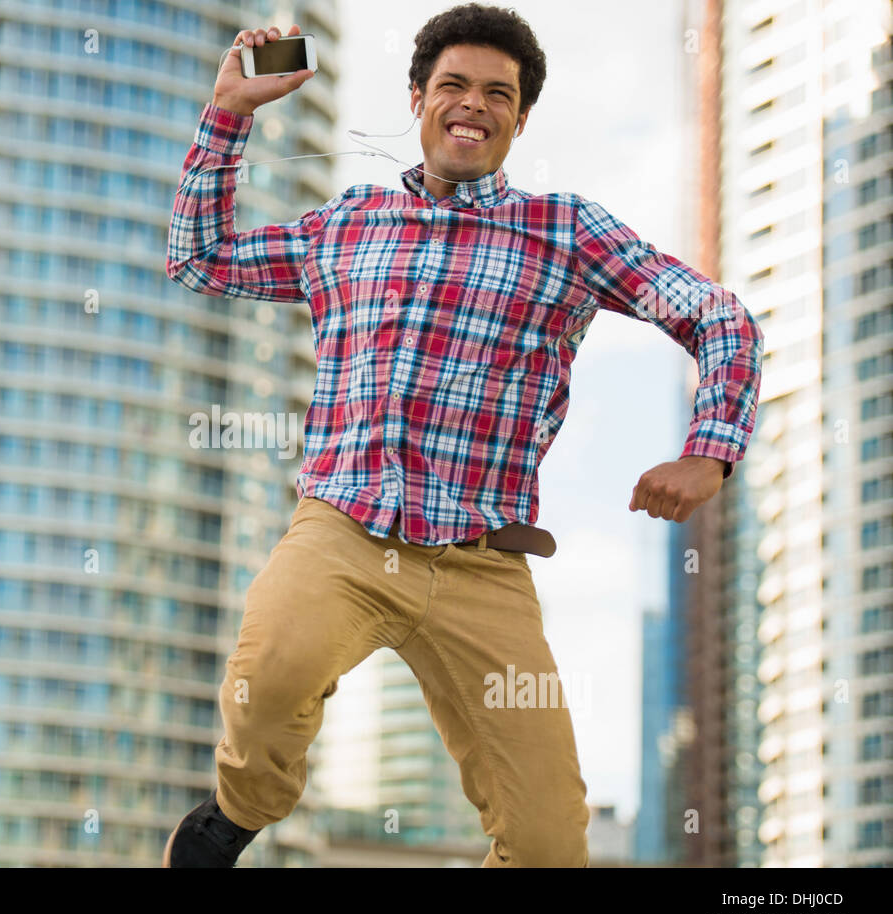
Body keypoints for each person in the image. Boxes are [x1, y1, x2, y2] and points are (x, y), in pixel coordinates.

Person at [161, 3, 764, 867]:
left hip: (482, 563)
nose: (471, 104)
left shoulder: (566, 232)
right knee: (272, 680)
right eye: (452, 85)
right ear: (418, 98)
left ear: (520, 118)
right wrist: (230, 116)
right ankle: (237, 811)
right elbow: (199, 257)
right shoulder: (348, 223)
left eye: (496, 93)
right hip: (343, 532)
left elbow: (718, 316)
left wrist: (709, 449)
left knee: (552, 844)